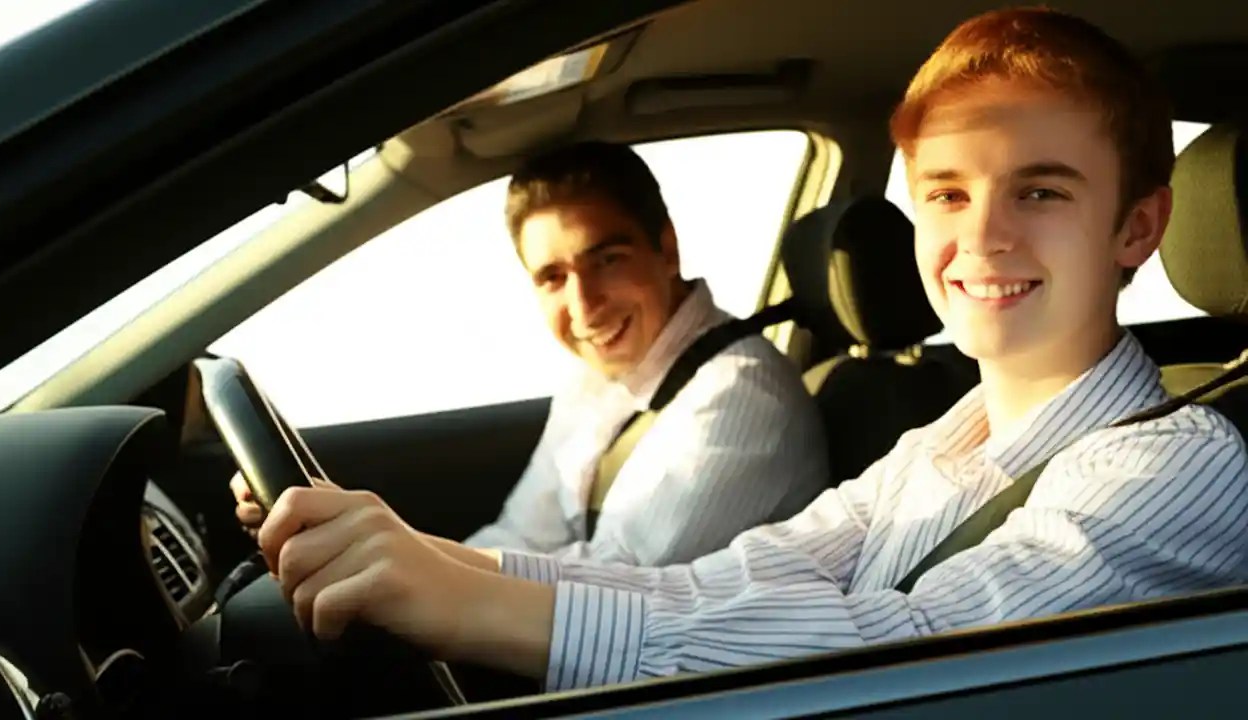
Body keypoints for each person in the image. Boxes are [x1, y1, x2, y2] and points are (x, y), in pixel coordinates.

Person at [253, 6, 1248, 692]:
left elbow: (911, 650)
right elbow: (718, 584)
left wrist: (473, 611)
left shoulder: (1178, 460)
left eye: (1039, 191)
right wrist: (409, 554)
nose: (980, 237)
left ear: (1134, 228)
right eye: (945, 192)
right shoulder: (944, 440)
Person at [232, 141, 828, 566]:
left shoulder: (740, 399)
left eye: (607, 260)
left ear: (665, 250)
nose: (585, 304)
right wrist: (359, 542)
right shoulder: (598, 383)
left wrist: (378, 548)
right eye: (551, 277)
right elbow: (522, 537)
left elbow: (615, 591)